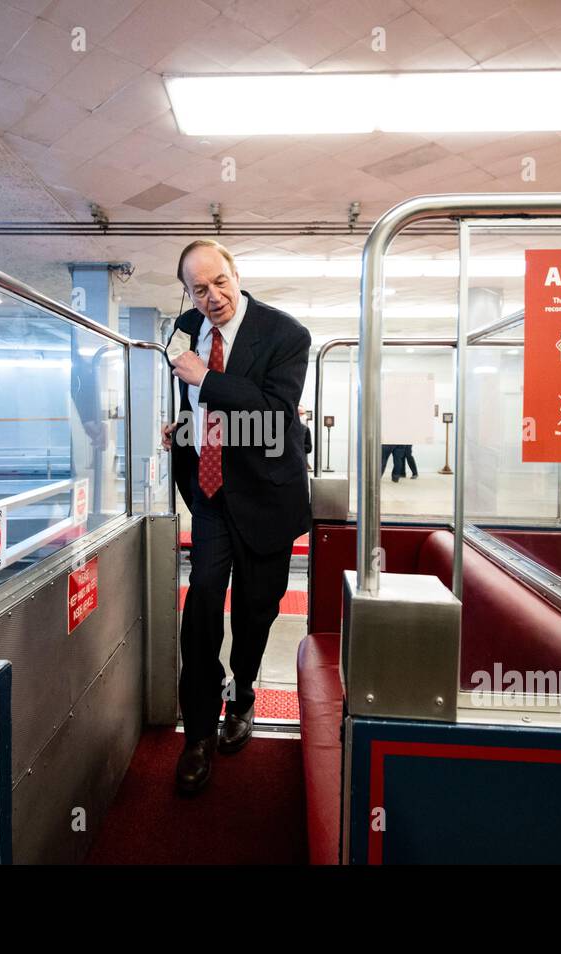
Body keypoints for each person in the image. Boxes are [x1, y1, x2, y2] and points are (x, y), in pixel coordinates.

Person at [161, 239, 311, 796]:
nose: (212, 297)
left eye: (219, 282)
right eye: (199, 288)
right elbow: (184, 398)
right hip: (210, 494)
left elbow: (274, 415)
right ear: (187, 291)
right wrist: (180, 428)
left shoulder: (285, 335)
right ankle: (197, 733)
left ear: (235, 274)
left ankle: (241, 694)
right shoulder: (182, 326)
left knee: (256, 612)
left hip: (268, 497)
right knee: (201, 606)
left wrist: (206, 378)